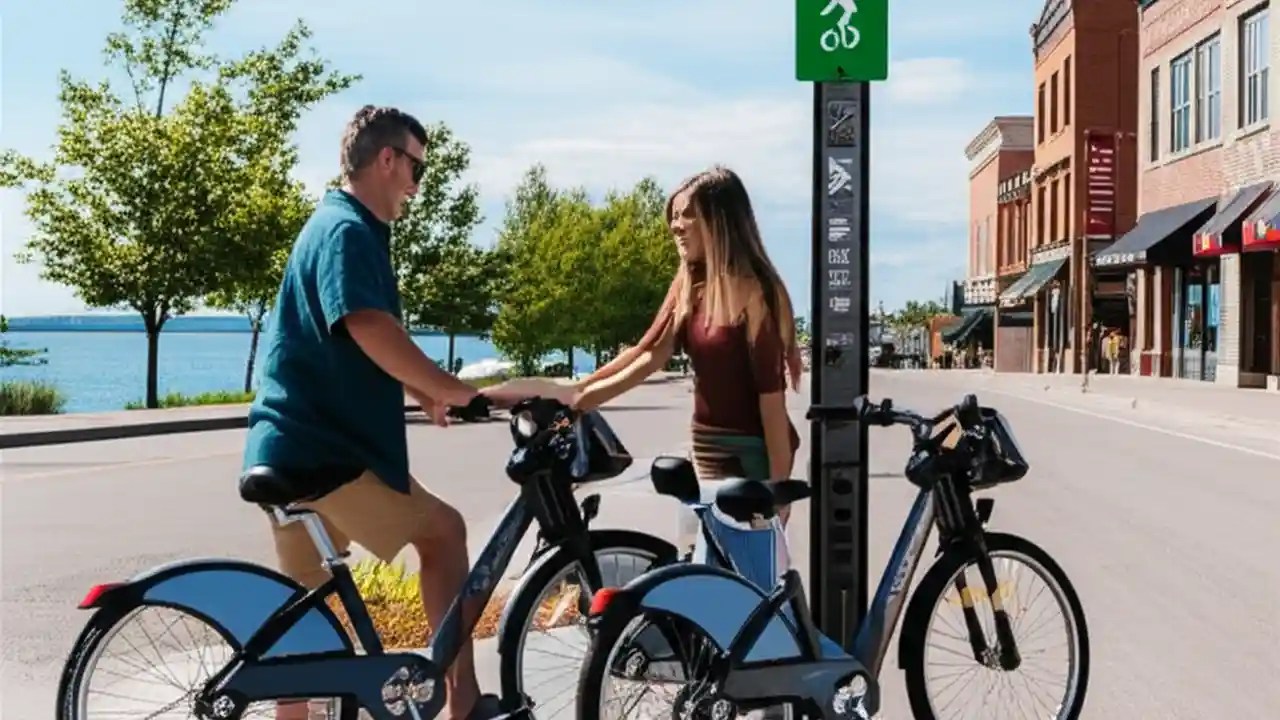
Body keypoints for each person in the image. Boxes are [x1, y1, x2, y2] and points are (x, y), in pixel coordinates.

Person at [243, 105, 525, 720]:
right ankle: (463, 703)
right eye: (416, 169)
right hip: (327, 453)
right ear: (387, 159)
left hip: (287, 444)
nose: (417, 187)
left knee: (305, 629)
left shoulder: (332, 223)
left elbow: (347, 351)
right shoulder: (349, 229)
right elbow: (367, 325)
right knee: (445, 533)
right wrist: (449, 386)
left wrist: (418, 392)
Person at [568, 165, 804, 516]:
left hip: (751, 456)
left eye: (688, 215)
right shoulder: (687, 285)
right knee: (709, 558)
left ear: (721, 221)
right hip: (704, 449)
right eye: (674, 216)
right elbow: (647, 354)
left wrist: (777, 494)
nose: (675, 226)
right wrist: (577, 395)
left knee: (746, 565)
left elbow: (772, 405)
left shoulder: (757, 294)